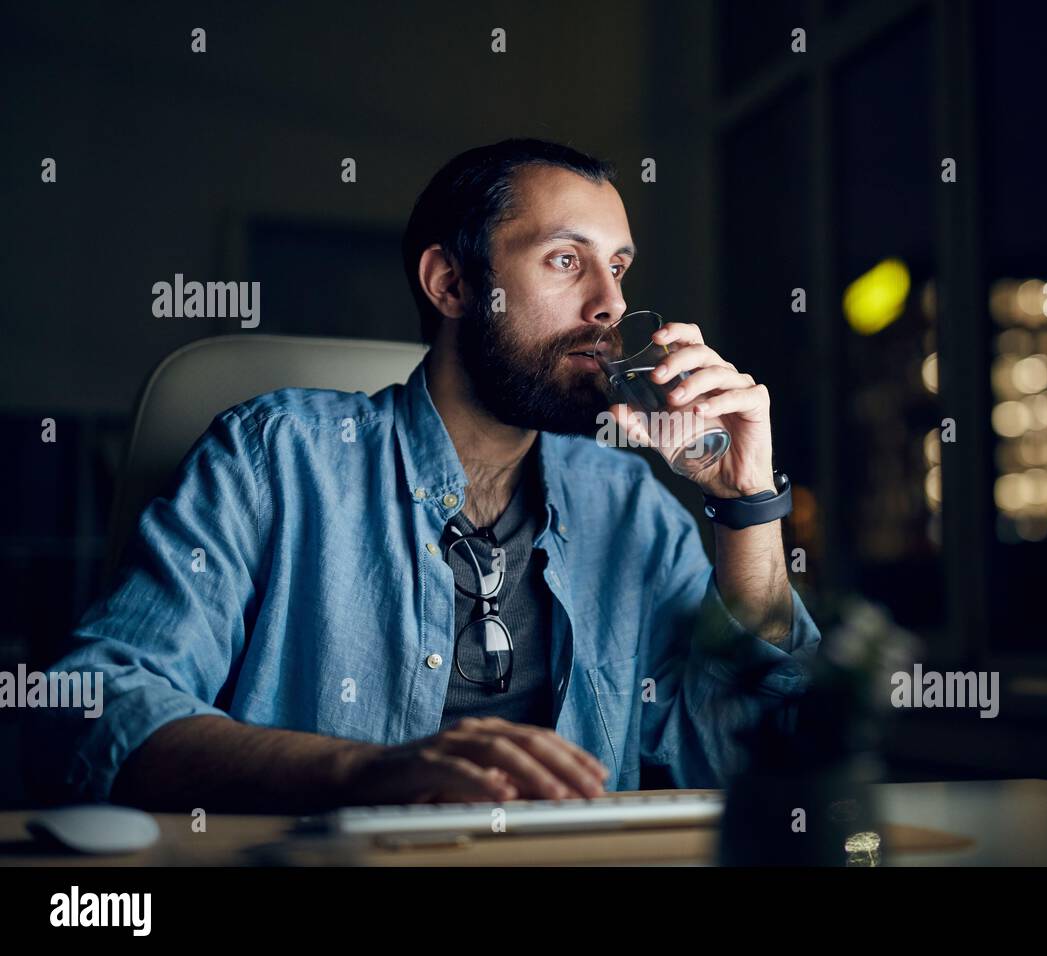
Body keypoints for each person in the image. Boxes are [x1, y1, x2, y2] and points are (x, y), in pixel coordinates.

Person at [26, 138, 821, 813]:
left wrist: (746, 504)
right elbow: (94, 709)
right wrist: (365, 773)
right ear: (451, 284)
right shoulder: (278, 458)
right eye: (565, 259)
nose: (610, 304)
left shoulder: (628, 505)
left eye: (618, 267)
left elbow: (745, 758)